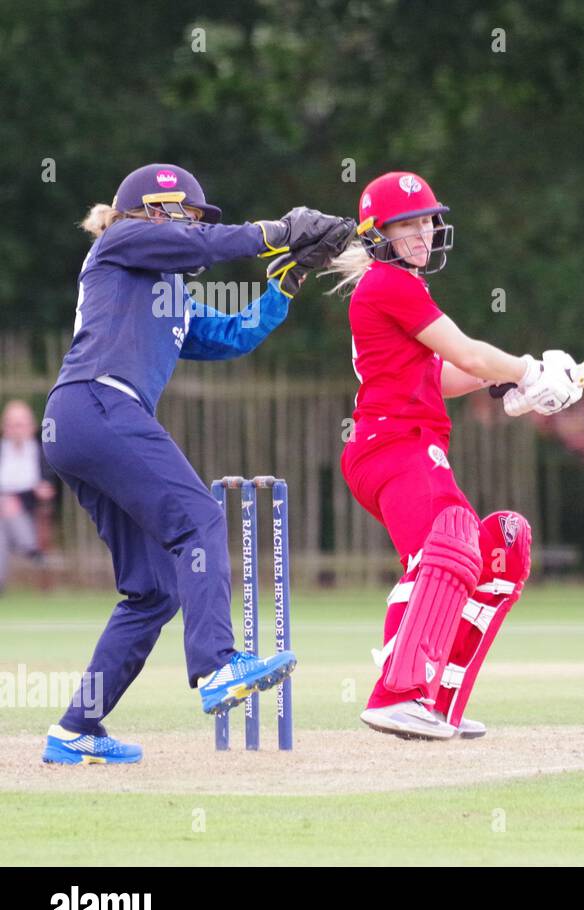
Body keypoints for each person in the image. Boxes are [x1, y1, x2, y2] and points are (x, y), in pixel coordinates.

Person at [39, 163, 353, 764]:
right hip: (99, 402)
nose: (194, 228)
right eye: (187, 215)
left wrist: (285, 282)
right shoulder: (120, 239)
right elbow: (200, 242)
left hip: (82, 420)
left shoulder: (168, 292)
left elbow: (234, 335)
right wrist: (279, 229)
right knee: (200, 520)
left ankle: (76, 726)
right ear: (157, 212)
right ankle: (216, 667)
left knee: (153, 591)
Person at [324, 171, 582, 740]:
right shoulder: (390, 284)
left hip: (405, 443)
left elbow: (440, 373)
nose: (423, 233)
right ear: (377, 235)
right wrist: (528, 371)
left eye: (426, 221)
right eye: (406, 225)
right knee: (453, 529)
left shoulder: (399, 289)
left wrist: (505, 382)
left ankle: (437, 700)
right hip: (391, 443)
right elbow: (467, 349)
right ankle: (398, 692)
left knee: (501, 546)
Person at [0, 399, 58, 592]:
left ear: (31, 426)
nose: (17, 429)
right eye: (12, 424)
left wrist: (44, 489)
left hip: (29, 510)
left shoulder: (43, 454)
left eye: (21, 424)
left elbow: (50, 487)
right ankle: (32, 550)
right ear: (4, 427)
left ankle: (30, 545)